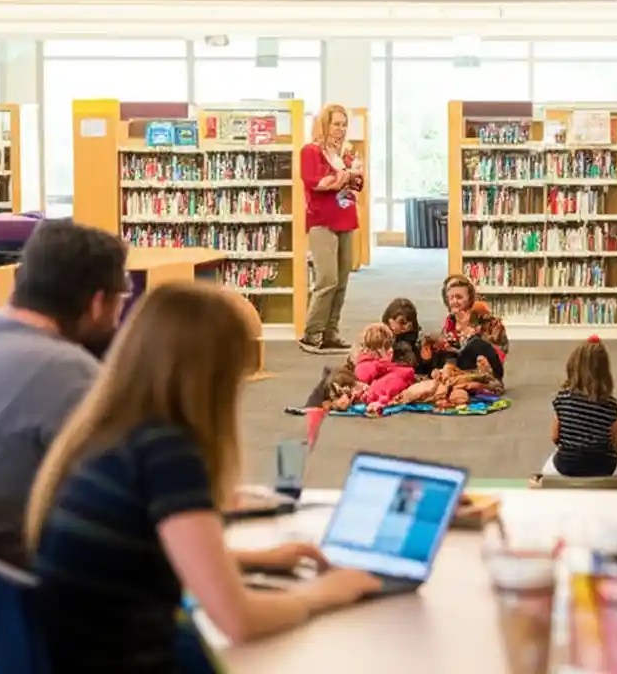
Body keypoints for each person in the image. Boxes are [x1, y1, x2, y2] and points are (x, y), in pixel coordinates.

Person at [26, 282, 382, 673]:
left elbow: (140, 553)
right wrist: (324, 594)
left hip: (76, 650)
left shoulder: (102, 433)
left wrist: (255, 560)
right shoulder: (167, 453)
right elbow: (239, 621)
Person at [0, 220, 127, 566]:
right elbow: (118, 501)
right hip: (16, 581)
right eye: (121, 300)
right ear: (97, 303)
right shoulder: (72, 371)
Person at [299, 104, 363, 354]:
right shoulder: (311, 151)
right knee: (327, 278)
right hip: (321, 220)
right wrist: (345, 176)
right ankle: (312, 333)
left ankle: (330, 332)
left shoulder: (346, 153)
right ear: (325, 125)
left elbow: (357, 183)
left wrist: (344, 177)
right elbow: (318, 184)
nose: (340, 129)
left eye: (344, 124)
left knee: (343, 279)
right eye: (336, 124)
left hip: (346, 217)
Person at [539, 336, 617, 478]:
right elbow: (614, 443)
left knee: (545, 473)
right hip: (604, 466)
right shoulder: (611, 404)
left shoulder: (563, 398)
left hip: (567, 464)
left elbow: (555, 437)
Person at [428, 274, 509, 379]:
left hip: (485, 368)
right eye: (451, 298)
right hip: (458, 367)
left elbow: (498, 352)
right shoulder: (450, 322)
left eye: (459, 297)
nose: (454, 301)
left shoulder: (486, 320)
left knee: (475, 343)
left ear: (469, 298)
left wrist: (471, 335)